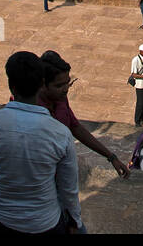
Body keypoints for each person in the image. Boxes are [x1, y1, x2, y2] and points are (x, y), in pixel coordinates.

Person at [0, 51, 83, 235]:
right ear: (42, 84)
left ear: (12, 87)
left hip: (0, 218)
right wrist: (74, 219)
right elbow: (69, 187)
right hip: (44, 221)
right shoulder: (60, 134)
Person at [39, 50, 130, 178]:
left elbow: (75, 127)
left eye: (68, 83)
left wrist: (111, 157)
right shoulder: (33, 109)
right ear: (43, 85)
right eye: (59, 85)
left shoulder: (60, 98)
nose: (66, 89)